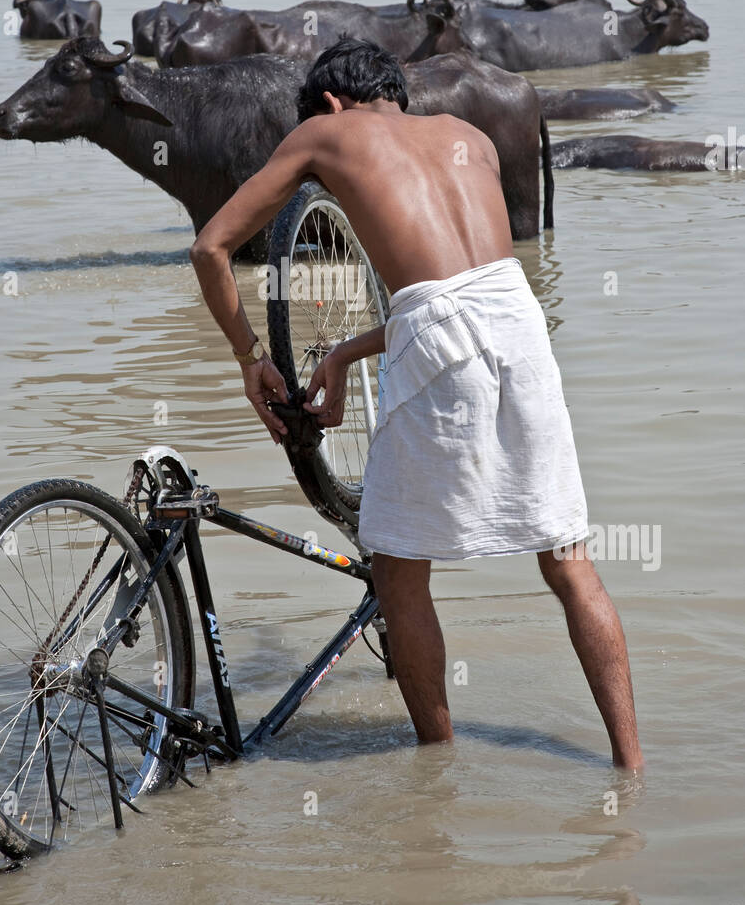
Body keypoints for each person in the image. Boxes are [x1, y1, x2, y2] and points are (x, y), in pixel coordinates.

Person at [190, 38, 643, 771]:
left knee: (400, 570)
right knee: (567, 561)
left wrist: (251, 358)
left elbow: (210, 248)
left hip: (437, 341)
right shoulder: (468, 138)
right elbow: (462, 290)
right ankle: (631, 766)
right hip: (524, 330)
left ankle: (437, 769)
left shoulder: (324, 132)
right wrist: (341, 353)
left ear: (332, 102)